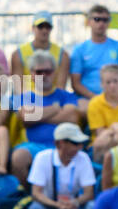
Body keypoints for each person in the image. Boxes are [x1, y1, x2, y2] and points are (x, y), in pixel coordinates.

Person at [10, 50, 82, 183]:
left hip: (63, 146)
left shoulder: (66, 95)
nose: (43, 75)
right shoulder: (25, 96)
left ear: (54, 73)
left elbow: (72, 117)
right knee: (18, 158)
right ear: (32, 74)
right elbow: (26, 117)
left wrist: (37, 115)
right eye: (38, 72)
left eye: (48, 71)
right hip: (33, 146)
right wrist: (55, 109)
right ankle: (30, 196)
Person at [26, 122, 96, 209]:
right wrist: (57, 205)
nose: (80, 147)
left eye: (80, 143)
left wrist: (74, 203)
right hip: (49, 205)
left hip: (75, 205)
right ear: (59, 144)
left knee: (92, 207)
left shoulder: (83, 157)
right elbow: (36, 193)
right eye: (75, 143)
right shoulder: (42, 158)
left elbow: (89, 193)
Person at [70, 5, 118, 98]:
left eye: (105, 20)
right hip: (87, 99)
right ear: (88, 22)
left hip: (115, 98)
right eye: (97, 19)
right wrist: (97, 100)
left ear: (109, 23)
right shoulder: (79, 49)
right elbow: (75, 83)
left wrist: (110, 97)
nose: (101, 23)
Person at [9, 12, 69, 93]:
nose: (44, 30)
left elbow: (61, 86)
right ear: (33, 28)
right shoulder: (18, 54)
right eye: (40, 26)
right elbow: (18, 86)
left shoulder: (63, 55)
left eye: (48, 27)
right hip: (27, 100)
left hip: (52, 98)